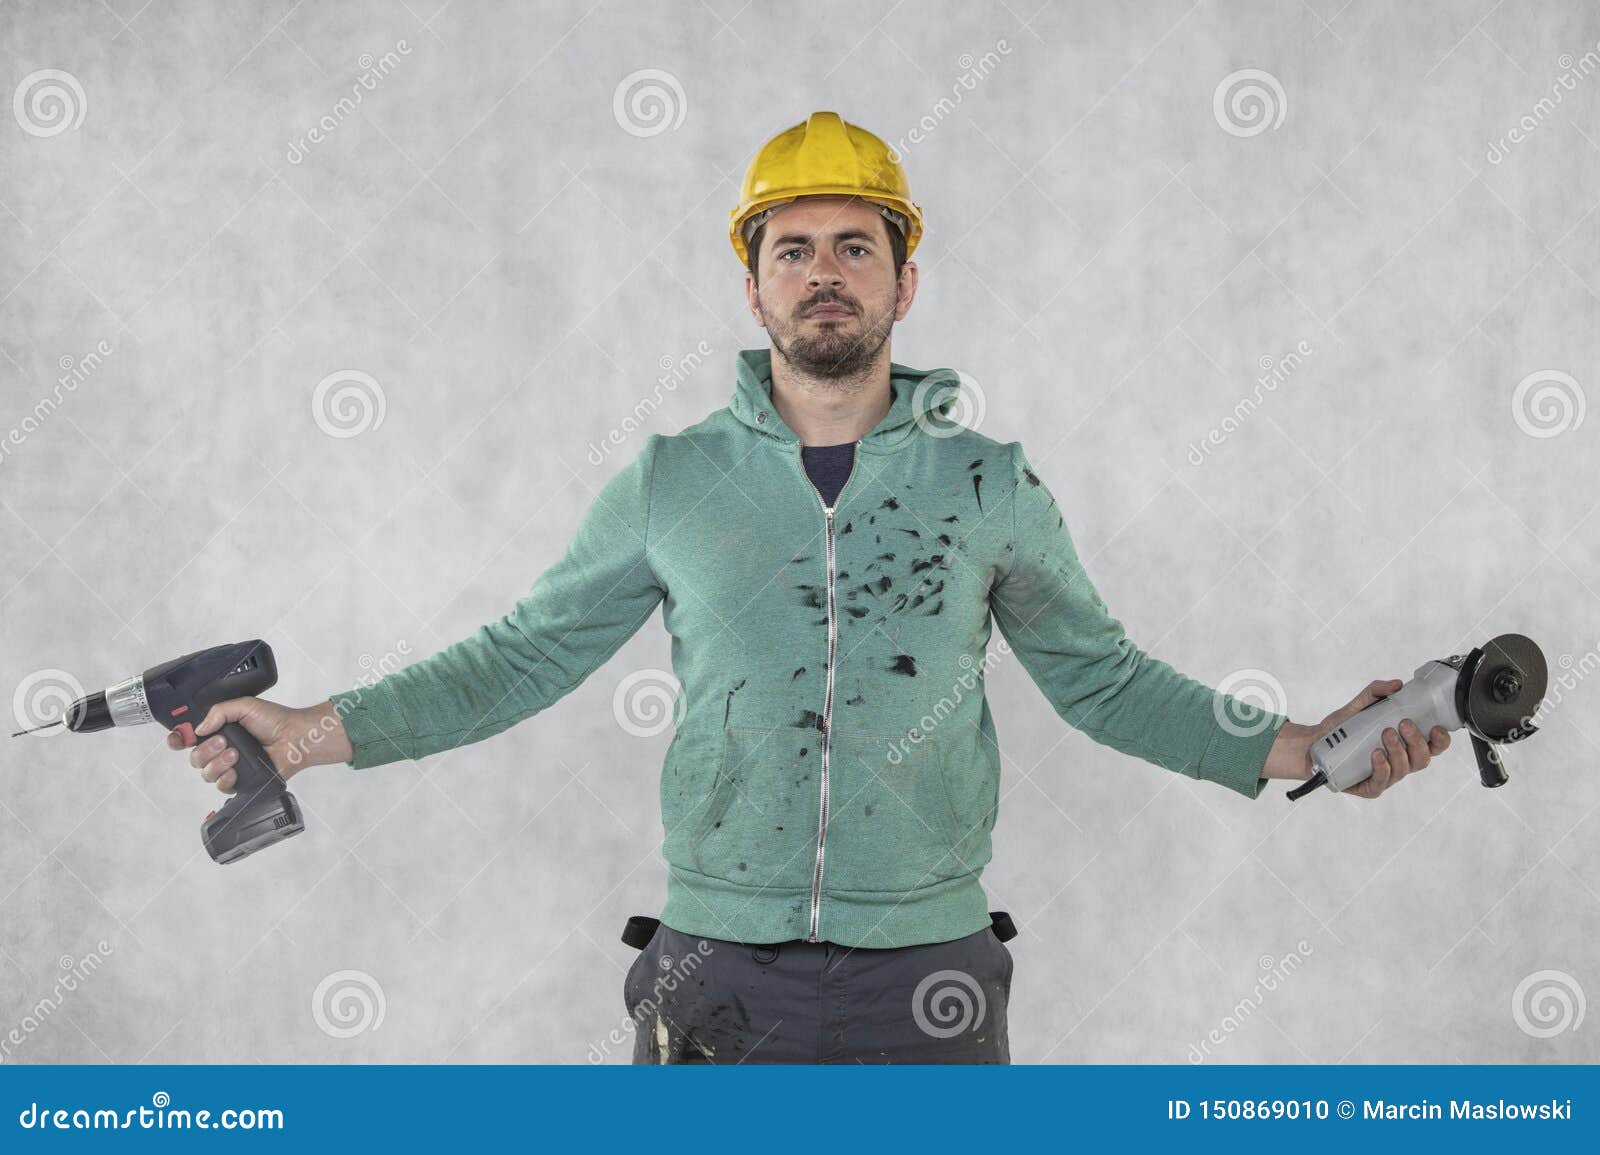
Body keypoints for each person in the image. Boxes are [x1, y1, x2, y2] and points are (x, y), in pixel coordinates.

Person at [168, 111, 1451, 1064]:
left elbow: (1104, 681)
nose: (823, 270)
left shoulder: (986, 481)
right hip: (715, 968)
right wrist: (309, 733)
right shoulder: (672, 480)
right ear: (753, 283)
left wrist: (1300, 747)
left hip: (930, 974)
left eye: (855, 245)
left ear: (905, 281)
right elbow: (517, 659)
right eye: (793, 249)